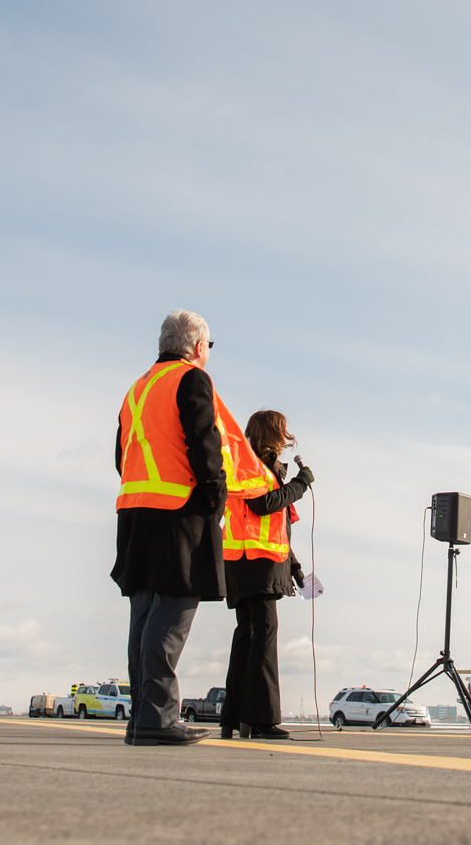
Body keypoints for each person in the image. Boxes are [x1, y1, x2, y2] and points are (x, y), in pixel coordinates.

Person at [113, 310, 269, 746]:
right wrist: (214, 502)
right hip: (177, 512)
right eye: (210, 347)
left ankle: (143, 716)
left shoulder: (137, 388)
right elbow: (207, 447)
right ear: (198, 346)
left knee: (144, 614)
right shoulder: (191, 380)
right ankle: (158, 718)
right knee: (173, 611)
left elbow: (120, 456)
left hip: (134, 512)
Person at [218, 410, 314, 740]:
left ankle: (234, 718)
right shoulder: (253, 464)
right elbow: (265, 505)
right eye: (282, 431)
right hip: (255, 560)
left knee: (247, 635)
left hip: (246, 560)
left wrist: (297, 569)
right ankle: (261, 719)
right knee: (264, 633)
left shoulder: (257, 466)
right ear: (273, 433)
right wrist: (300, 484)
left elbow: (277, 526)